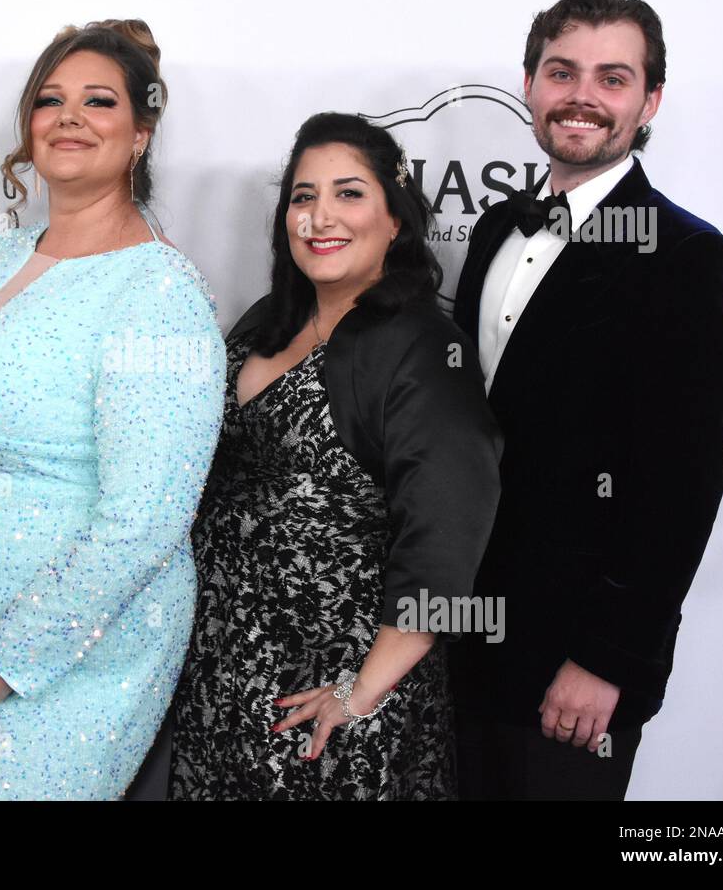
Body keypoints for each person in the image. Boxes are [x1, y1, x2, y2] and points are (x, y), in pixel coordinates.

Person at [0, 19, 226, 801]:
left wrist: (9, 658)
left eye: (98, 101)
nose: (69, 117)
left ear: (140, 135)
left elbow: (145, 517)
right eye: (51, 100)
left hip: (78, 650)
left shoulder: (158, 292)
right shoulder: (2, 252)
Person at [449, 0, 723, 799]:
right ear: (529, 85)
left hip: (572, 668)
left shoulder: (687, 256)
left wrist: (607, 658)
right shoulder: (495, 228)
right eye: (561, 71)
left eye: (612, 78)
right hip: (462, 637)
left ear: (649, 100)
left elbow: (683, 484)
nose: (582, 95)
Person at [169, 112, 502, 800]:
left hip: (337, 700)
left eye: (349, 193)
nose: (319, 216)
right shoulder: (267, 319)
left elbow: (445, 544)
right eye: (302, 195)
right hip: (223, 682)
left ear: (396, 220)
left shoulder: (422, 347)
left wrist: (358, 694)